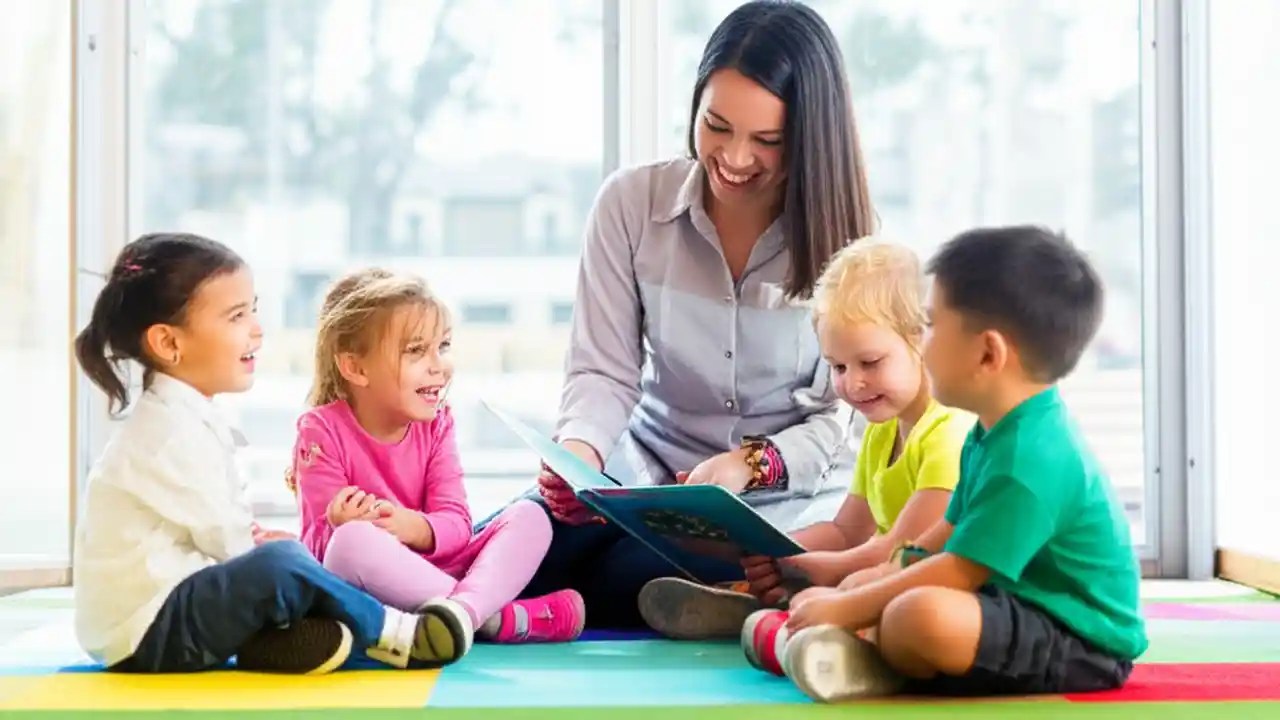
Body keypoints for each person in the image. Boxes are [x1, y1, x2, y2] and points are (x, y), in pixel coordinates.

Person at [523, 0, 876, 629]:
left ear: (808, 138)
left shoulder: (848, 240)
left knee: (624, 577)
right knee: (517, 541)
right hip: (642, 482)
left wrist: (747, 466)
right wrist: (578, 458)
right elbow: (602, 373)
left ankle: (732, 593)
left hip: (777, 501)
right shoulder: (631, 206)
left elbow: (836, 416)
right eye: (716, 126)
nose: (735, 158)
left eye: (767, 141)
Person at [743, 226, 1148, 702]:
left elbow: (957, 571)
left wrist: (849, 606)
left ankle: (864, 657)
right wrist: (873, 580)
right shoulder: (994, 432)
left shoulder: (1031, 457)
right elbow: (944, 534)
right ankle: (855, 648)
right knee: (884, 591)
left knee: (918, 616)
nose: (923, 341)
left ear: (988, 353)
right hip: (1016, 602)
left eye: (932, 325)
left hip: (1079, 638)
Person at [73, 234, 457, 674]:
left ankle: (283, 640)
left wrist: (259, 547)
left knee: (282, 562)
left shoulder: (184, 417)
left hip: (161, 611)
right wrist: (269, 557)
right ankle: (401, 635)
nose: (257, 328)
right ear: (168, 343)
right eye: (237, 316)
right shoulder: (168, 434)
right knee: (282, 564)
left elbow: (205, 524)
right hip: (147, 630)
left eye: (253, 310)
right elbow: (227, 540)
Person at [640, 241, 972, 640]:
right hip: (885, 573)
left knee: (850, 586)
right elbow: (847, 532)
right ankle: (770, 611)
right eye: (837, 366)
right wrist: (781, 555)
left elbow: (908, 551)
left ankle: (793, 623)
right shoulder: (881, 432)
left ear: (920, 341)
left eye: (869, 362)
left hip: (924, 584)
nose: (852, 383)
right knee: (826, 583)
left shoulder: (949, 432)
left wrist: (818, 568)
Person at [290, 269, 585, 667]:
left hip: (441, 573)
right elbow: (321, 556)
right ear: (356, 368)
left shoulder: (438, 424)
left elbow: (458, 525)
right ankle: (491, 619)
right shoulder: (320, 430)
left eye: (442, 346)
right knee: (352, 541)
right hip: (375, 593)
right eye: (415, 351)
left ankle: (457, 615)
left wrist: (411, 526)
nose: (439, 366)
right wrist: (338, 522)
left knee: (531, 516)